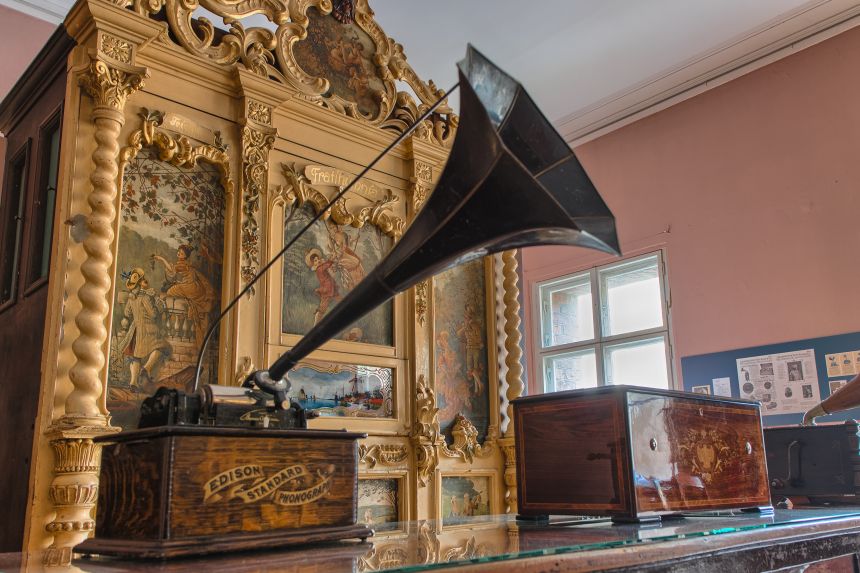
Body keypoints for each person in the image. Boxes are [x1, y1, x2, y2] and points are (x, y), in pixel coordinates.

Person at [151, 245, 217, 350]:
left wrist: (161, 259)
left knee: (170, 291)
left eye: (181, 253)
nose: (179, 253)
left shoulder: (182, 264)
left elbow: (171, 270)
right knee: (173, 288)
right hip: (195, 287)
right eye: (179, 252)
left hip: (189, 288)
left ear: (185, 256)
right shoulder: (187, 264)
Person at [117, 267, 171, 390]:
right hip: (149, 329)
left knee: (135, 356)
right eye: (143, 280)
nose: (146, 281)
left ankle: (133, 383)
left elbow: (127, 313)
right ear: (140, 283)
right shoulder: (145, 297)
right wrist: (160, 306)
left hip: (135, 330)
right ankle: (146, 369)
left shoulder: (131, 297)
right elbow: (153, 314)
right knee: (162, 347)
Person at [306, 248, 340, 324]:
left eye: (318, 259)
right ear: (313, 263)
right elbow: (328, 264)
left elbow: (328, 266)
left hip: (331, 288)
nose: (318, 261)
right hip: (327, 290)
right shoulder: (319, 269)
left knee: (340, 300)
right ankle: (315, 325)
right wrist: (332, 258)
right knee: (322, 309)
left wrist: (330, 259)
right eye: (315, 260)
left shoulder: (320, 267)